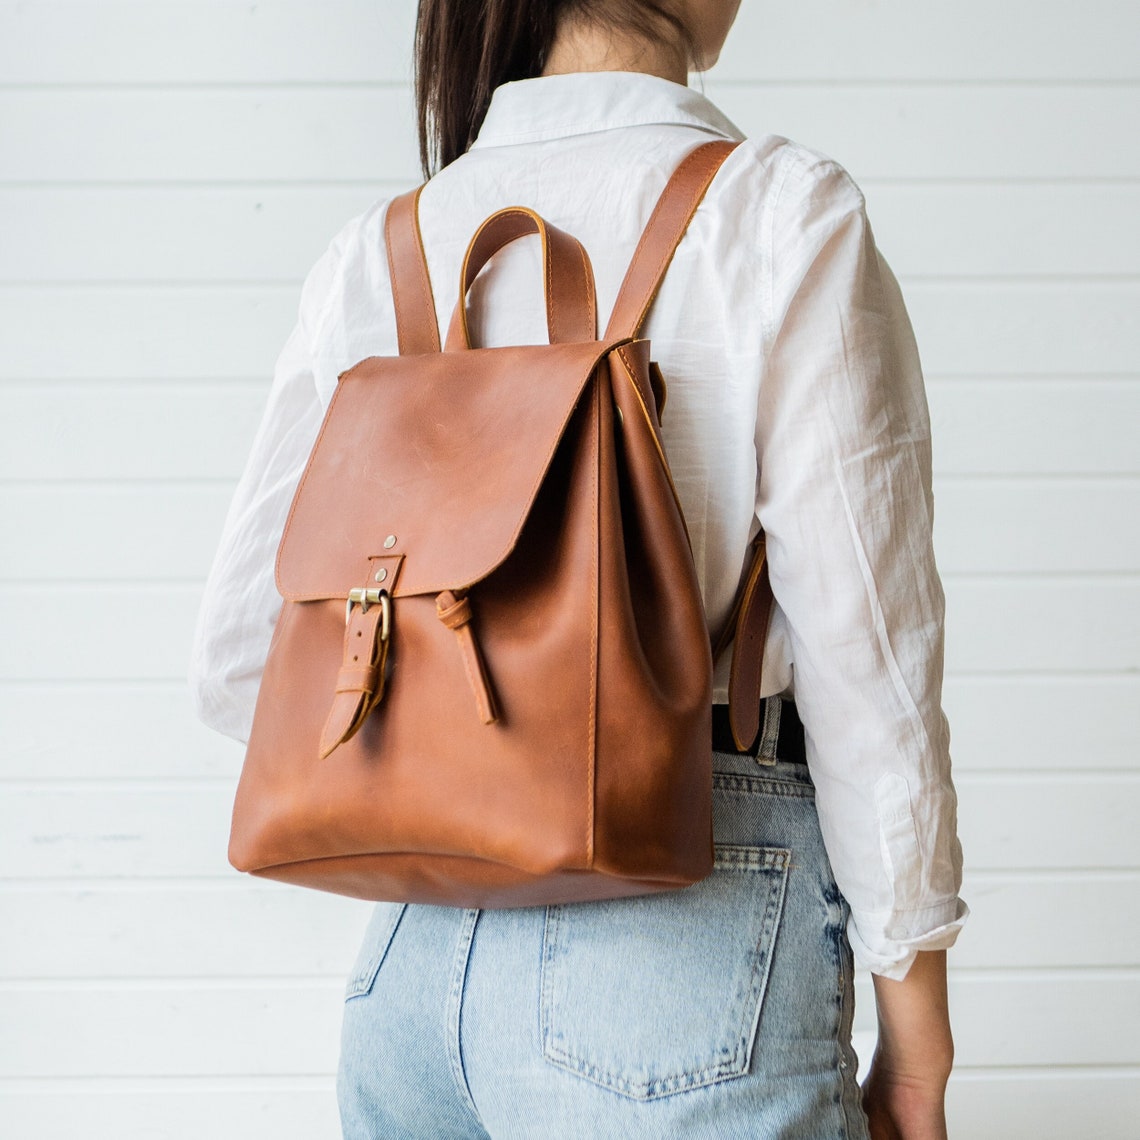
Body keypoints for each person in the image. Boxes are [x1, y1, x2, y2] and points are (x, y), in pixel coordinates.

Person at [189, 1, 969, 1136]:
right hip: (685, 943)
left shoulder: (384, 247)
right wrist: (917, 1048)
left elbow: (231, 664)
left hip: (408, 980)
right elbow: (871, 680)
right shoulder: (777, 215)